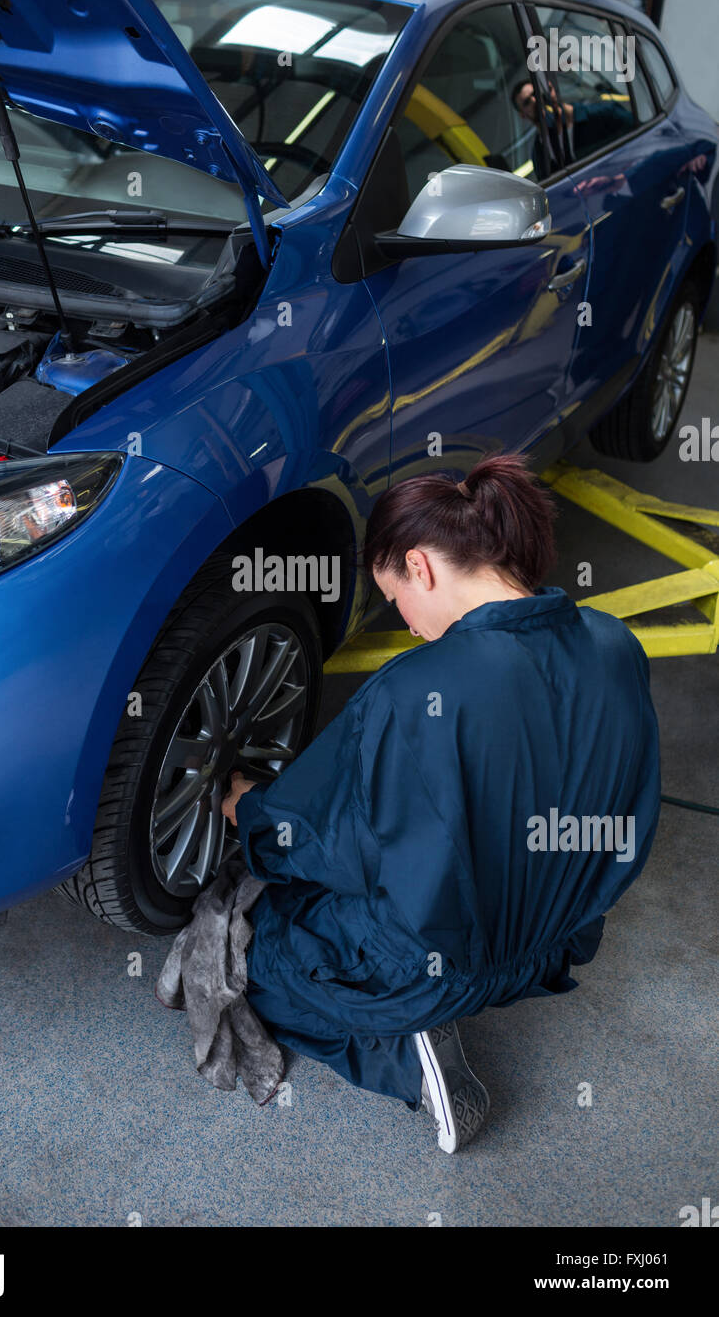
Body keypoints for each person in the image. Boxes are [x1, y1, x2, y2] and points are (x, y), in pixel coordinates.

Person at [221, 454, 661, 1152]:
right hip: (557, 944)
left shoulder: (414, 690)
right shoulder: (616, 644)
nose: (410, 624)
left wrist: (251, 814)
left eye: (396, 600)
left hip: (444, 965)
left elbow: (342, 844)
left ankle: (406, 1056)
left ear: (419, 566)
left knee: (263, 951)